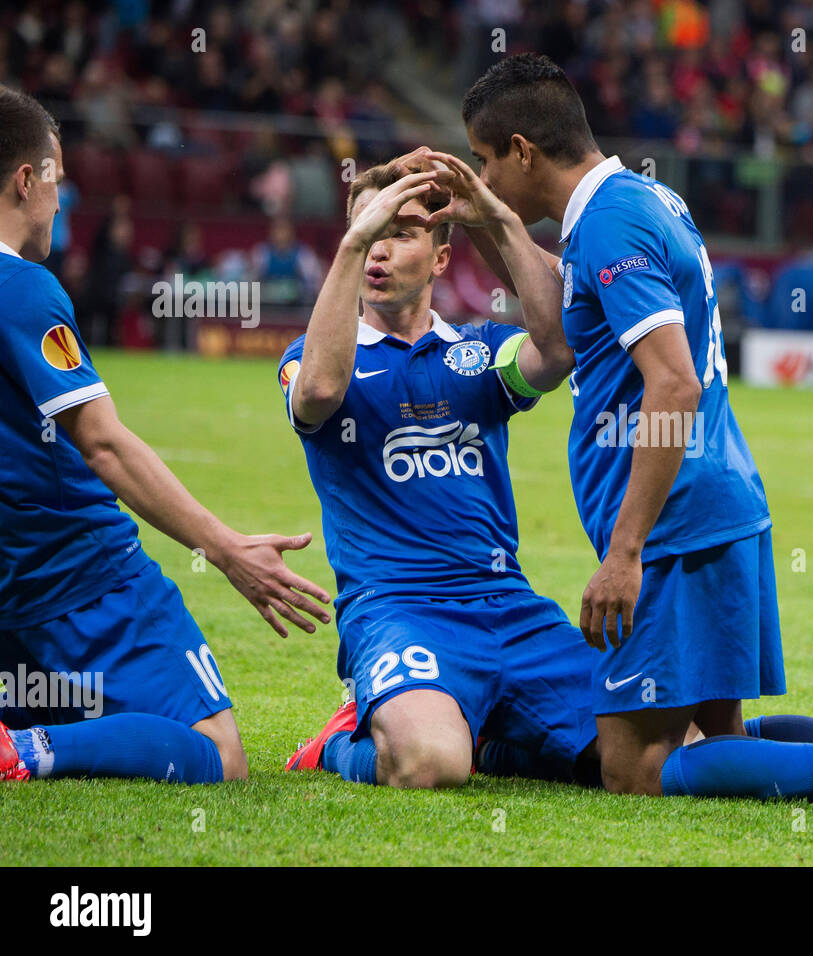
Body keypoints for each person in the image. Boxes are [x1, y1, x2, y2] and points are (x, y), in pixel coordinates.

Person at [419, 54, 813, 811]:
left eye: (487, 159)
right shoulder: (640, 201)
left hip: (675, 522)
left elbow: (673, 381)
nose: (485, 173)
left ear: (523, 149)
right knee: (714, 740)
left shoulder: (611, 224)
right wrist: (483, 210)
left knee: (635, 769)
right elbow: (561, 310)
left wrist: (625, 552)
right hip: (718, 500)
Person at [0, 87, 332, 785]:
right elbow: (104, 444)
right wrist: (227, 549)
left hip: (13, 600)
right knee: (219, 754)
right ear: (26, 180)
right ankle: (23, 752)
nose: (60, 204)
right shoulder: (24, 288)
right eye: (56, 181)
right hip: (82, 585)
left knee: (76, 712)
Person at [280, 160, 600, 789]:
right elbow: (318, 390)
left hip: (508, 604)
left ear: (440, 258)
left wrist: (498, 217)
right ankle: (339, 742)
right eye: (368, 232)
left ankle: (498, 739)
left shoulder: (480, 353)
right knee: (431, 764)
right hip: (398, 609)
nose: (379, 249)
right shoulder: (312, 359)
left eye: (401, 231)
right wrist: (352, 242)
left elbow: (560, 349)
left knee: (633, 754)